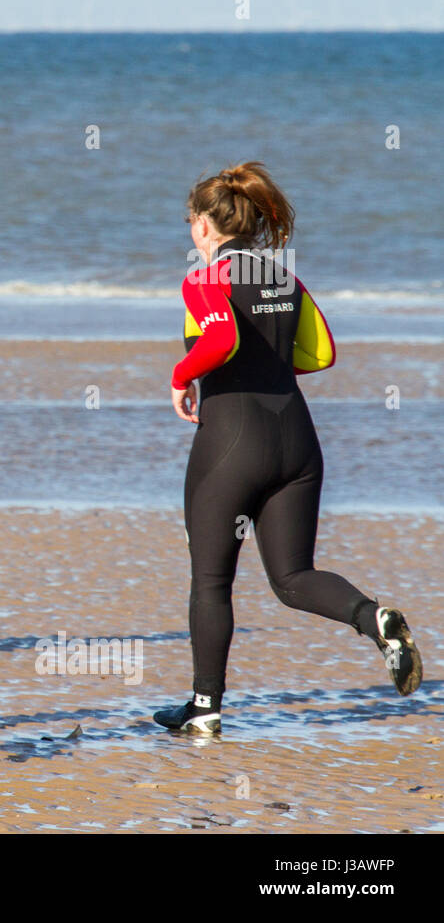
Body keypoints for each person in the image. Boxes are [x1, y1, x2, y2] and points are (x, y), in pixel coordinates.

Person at [155, 161, 423, 733]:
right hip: (297, 442)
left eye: (190, 222)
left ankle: (205, 709)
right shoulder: (285, 278)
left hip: (232, 444)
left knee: (210, 581)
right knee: (294, 576)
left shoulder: (204, 279)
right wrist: (270, 358)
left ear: (204, 225)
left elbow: (221, 338)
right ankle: (372, 619)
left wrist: (182, 376)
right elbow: (320, 354)